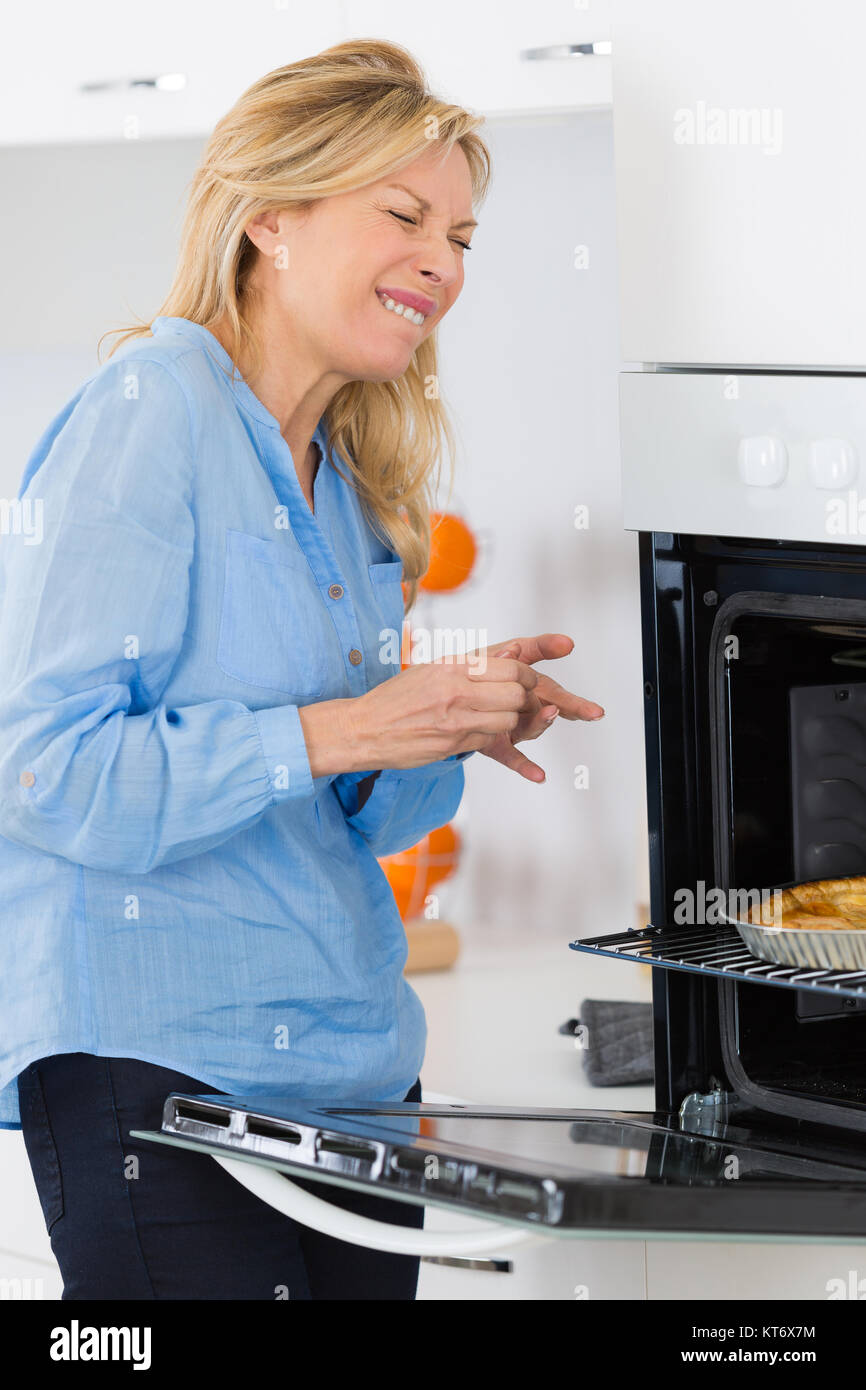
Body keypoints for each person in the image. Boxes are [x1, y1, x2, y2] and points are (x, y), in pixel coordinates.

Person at [0, 39, 604, 1300]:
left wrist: (435, 726)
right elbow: (46, 772)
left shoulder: (357, 475)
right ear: (268, 219)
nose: (440, 262)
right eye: (403, 216)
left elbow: (351, 812)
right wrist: (340, 729)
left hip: (353, 1068)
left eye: (461, 236)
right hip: (162, 1073)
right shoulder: (149, 411)